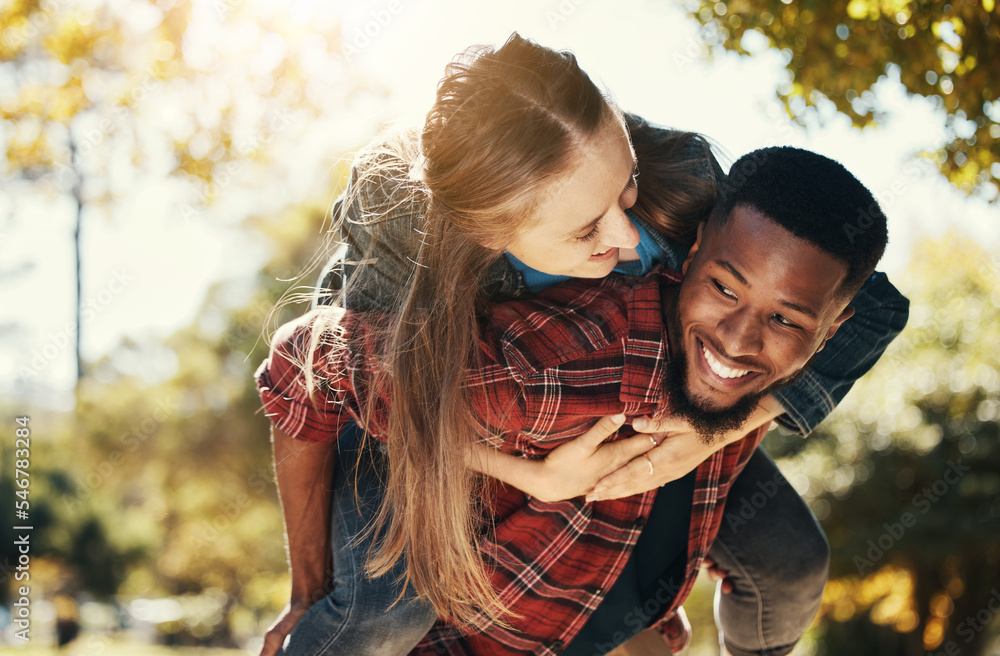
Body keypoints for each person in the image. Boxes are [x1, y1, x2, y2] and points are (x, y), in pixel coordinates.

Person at [258, 34, 908, 656]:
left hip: (629, 418)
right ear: (490, 230)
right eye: (586, 228)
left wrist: (696, 448)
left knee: (789, 558)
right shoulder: (404, 226)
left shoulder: (681, 178)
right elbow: (349, 384)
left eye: (624, 187)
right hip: (424, 417)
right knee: (386, 608)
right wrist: (531, 476)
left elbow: (868, 302)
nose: (628, 239)